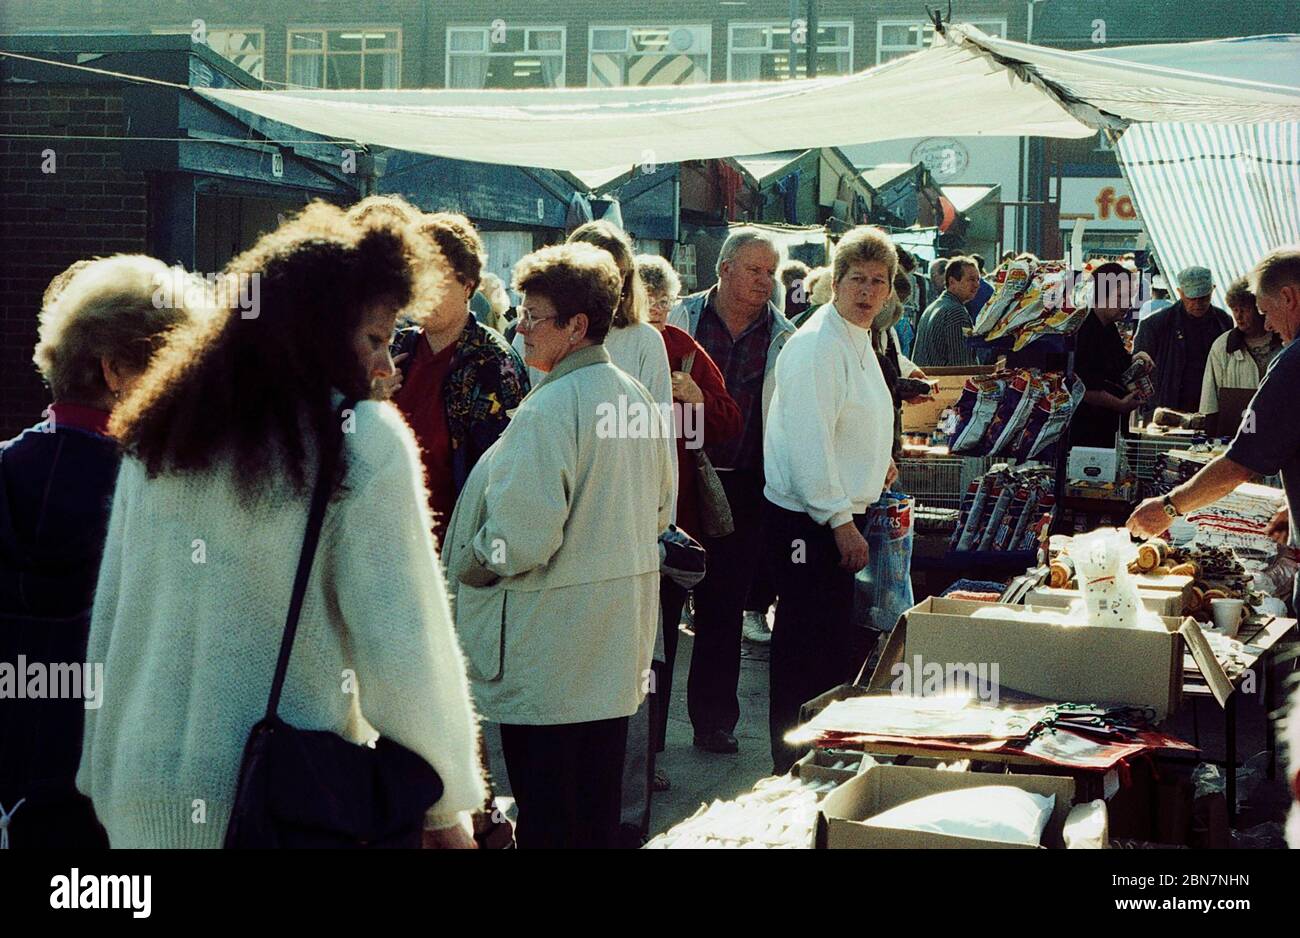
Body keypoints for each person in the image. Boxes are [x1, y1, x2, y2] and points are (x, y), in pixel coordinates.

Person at [76, 202, 485, 848]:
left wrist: (97, 772)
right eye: (377, 339)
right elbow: (406, 651)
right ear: (318, 332)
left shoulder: (161, 435)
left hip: (137, 793)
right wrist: (444, 805)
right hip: (276, 809)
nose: (386, 365)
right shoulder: (362, 442)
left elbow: (112, 622)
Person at [443, 242, 674, 849]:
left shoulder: (549, 409)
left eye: (533, 315)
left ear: (576, 325)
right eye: (520, 312)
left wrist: (469, 562)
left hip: (549, 659)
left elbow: (520, 539)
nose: (521, 327)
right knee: (593, 814)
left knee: (549, 818)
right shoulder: (635, 396)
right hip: (609, 652)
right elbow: (661, 509)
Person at [0, 256, 202, 848]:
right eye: (170, 369)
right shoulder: (161, 490)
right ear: (115, 370)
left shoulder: (8, 466)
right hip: (115, 783)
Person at [763, 226, 901, 774]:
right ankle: (790, 764)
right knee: (803, 647)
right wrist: (839, 522)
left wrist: (878, 461)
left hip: (837, 513)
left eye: (878, 281)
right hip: (808, 522)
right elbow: (809, 443)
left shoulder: (856, 336)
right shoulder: (817, 344)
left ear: (889, 289)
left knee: (828, 646)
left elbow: (854, 418)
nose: (867, 291)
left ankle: (817, 757)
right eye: (857, 280)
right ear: (834, 282)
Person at [668, 228, 797, 754]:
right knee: (664, 603)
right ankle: (646, 733)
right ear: (723, 269)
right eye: (754, 270)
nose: (765, 281)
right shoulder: (681, 320)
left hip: (744, 484)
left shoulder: (783, 335)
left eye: (770, 272)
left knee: (723, 606)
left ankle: (713, 720)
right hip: (678, 479)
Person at [1128, 247, 1300, 616]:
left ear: (1289, 298)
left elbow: (1240, 464)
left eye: (1266, 312)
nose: (1266, 325)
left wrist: (1169, 506)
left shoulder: (1293, 364)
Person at [637, 253, 741, 790]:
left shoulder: (681, 348)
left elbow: (728, 419)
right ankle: (626, 753)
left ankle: (648, 754)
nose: (653, 310)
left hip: (673, 524)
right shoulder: (609, 347)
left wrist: (697, 397)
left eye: (661, 301)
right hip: (616, 523)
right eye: (643, 298)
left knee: (663, 646)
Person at [377, 210, 530, 548]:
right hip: (388, 537)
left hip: (458, 546)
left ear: (468, 286)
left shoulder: (494, 362)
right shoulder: (396, 347)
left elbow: (511, 473)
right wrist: (368, 401)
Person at [1133, 265, 1232, 415]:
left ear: (1213, 290)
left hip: (1210, 405)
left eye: (1204, 297)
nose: (1198, 304)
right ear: (1180, 293)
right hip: (1166, 407)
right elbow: (1139, 372)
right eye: (1192, 298)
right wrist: (1148, 407)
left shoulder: (1223, 322)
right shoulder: (1155, 324)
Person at [1068, 262, 1146, 449]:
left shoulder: (1108, 326)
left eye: (1130, 298)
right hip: (1084, 432)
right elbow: (1083, 387)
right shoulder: (1084, 329)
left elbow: (1117, 363)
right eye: (1121, 297)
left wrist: (1138, 358)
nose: (1127, 304)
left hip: (1106, 427)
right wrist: (1119, 404)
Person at [1200, 276, 1283, 436]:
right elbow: (1210, 400)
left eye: (1245, 309)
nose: (1239, 316)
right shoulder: (1222, 346)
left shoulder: (1283, 340)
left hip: (1277, 431)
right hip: (1235, 433)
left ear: (1259, 308)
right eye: (1235, 310)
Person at [911, 255, 981, 367]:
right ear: (952, 282)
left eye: (978, 279)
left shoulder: (933, 307)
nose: (977, 285)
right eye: (971, 279)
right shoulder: (956, 312)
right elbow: (961, 366)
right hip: (945, 383)